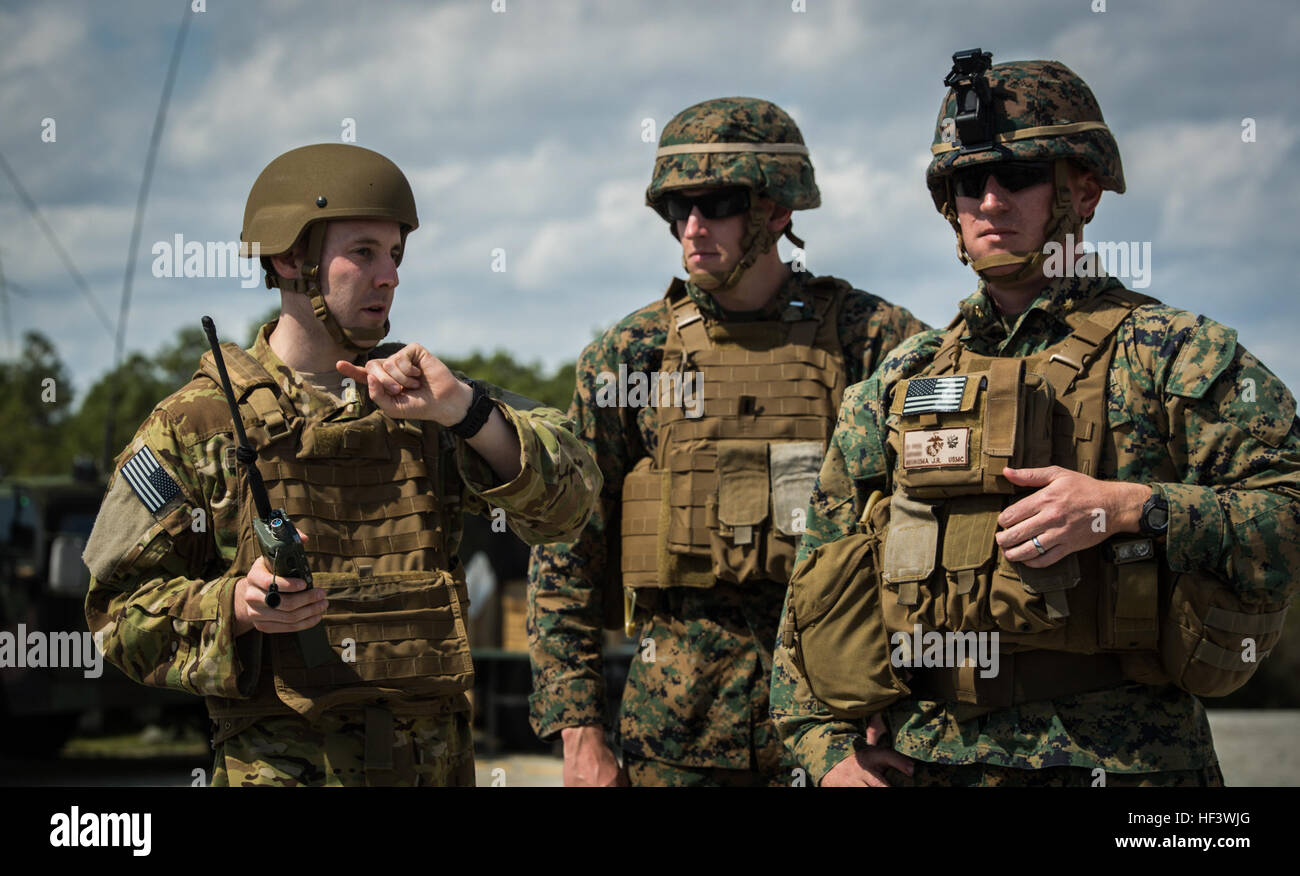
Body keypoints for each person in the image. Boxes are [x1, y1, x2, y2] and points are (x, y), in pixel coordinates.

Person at [770, 52, 1300, 787]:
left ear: (1082, 191)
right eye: (966, 183)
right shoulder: (899, 381)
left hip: (1128, 765)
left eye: (1016, 177)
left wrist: (1134, 509)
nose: (989, 202)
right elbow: (817, 576)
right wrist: (824, 752)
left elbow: (1287, 509)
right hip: (930, 762)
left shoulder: (1173, 354)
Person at [82, 143, 601, 786]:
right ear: (289, 259)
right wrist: (235, 606)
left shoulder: (432, 402)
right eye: (363, 253)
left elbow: (574, 503)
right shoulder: (199, 424)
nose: (390, 276)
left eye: (396, 255)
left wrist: (465, 413)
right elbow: (116, 613)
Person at [527, 97, 928, 786]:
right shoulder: (633, 353)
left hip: (842, 735)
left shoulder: (874, 340)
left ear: (778, 211)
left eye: (715, 203)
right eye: (676, 209)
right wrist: (580, 733)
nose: (692, 227)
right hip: (676, 736)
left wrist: (901, 710)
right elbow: (568, 547)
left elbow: (929, 535)